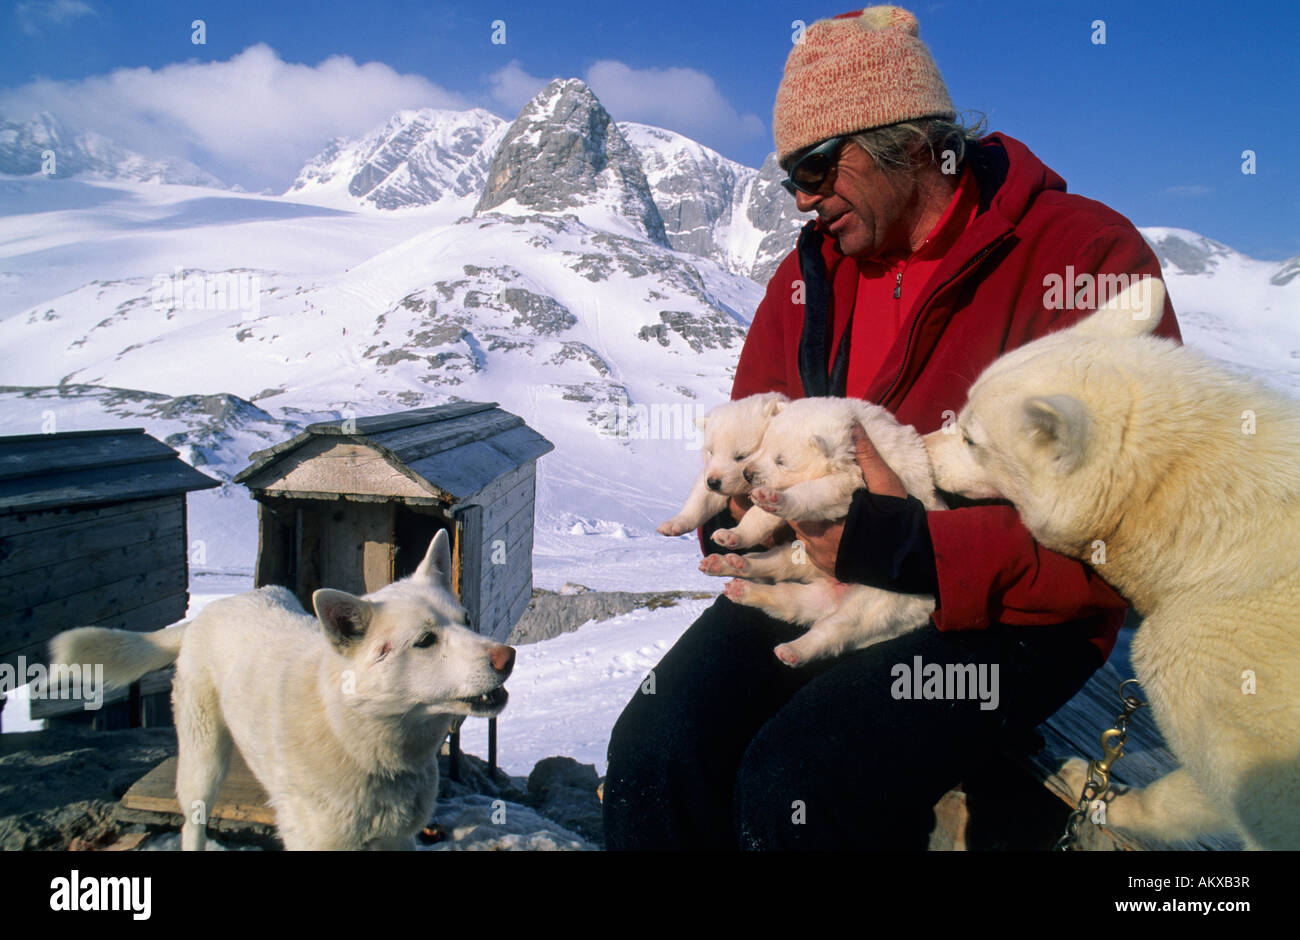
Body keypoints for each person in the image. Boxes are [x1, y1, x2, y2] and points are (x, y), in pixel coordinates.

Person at [602, 4, 1181, 850]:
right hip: (821, 576)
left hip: (1012, 613)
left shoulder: (1083, 258)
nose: (803, 198)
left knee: (803, 780)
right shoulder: (807, 279)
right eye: (789, 176)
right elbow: (746, 450)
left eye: (815, 166)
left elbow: (1135, 522)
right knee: (657, 750)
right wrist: (746, 523)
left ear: (906, 141)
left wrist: (913, 550)